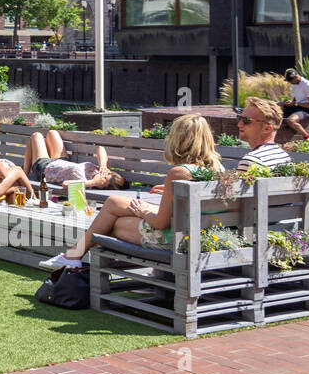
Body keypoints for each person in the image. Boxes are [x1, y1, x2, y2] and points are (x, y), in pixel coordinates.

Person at [40, 113, 223, 270]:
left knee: (113, 223)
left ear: (178, 140)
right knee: (114, 203)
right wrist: (172, 194)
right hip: (201, 232)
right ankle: (76, 259)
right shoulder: (219, 169)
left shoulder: (180, 172)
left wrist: (143, 212)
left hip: (178, 239)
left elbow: (160, 223)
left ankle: (75, 259)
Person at [23, 129, 127, 192]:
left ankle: (24, 176)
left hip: (45, 169)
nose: (101, 176)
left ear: (102, 186)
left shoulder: (86, 182)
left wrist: (92, 182)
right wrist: (103, 166)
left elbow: (65, 184)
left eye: (104, 181)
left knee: (36, 136)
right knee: (52, 133)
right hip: (61, 161)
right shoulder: (98, 170)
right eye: (106, 175)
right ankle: (25, 173)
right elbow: (100, 148)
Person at [236, 96, 292, 171]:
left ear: (267, 129)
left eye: (246, 120)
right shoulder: (284, 156)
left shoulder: (251, 161)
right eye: (239, 118)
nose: (239, 124)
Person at [281, 69, 309, 141]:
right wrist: (291, 103)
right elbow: (295, 98)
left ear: (296, 77)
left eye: (291, 80)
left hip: (308, 110)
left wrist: (296, 103)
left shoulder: (308, 86)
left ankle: (308, 138)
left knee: (290, 120)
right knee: (277, 109)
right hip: (298, 106)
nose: (290, 83)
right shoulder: (294, 85)